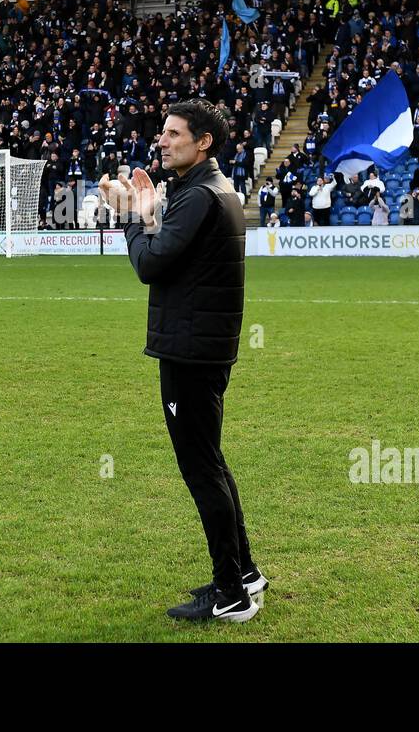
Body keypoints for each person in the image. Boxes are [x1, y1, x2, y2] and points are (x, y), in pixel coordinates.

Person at [102, 98, 266, 623]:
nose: (163, 141)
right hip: (202, 345)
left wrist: (130, 218)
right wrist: (151, 216)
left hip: (191, 351)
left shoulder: (201, 197)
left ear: (203, 143)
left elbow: (150, 264)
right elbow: (170, 254)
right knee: (211, 461)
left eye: (174, 134)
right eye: (163, 132)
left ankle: (231, 596)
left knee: (201, 469)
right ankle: (242, 575)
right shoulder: (210, 191)